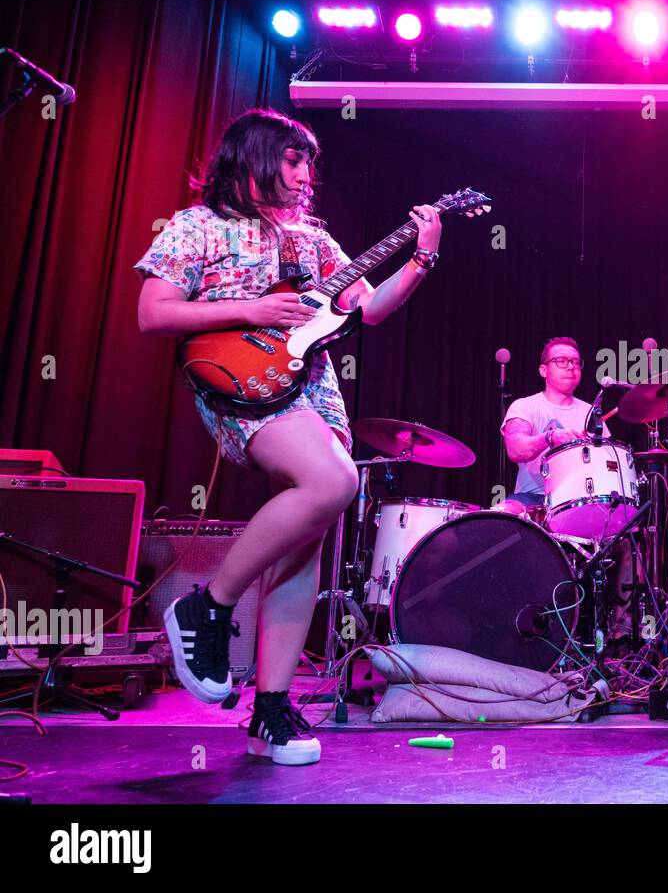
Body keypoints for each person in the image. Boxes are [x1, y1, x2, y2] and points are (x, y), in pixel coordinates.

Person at [135, 108, 445, 764]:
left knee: (307, 541)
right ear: (253, 157)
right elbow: (152, 313)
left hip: (311, 386)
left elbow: (372, 307)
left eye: (311, 163)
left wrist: (424, 255)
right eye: (294, 159)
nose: (306, 175)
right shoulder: (196, 226)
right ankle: (207, 606)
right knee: (335, 480)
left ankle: (270, 710)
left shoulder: (313, 240)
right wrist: (253, 308)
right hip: (237, 377)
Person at [498, 337, 594, 516]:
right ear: (543, 370)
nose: (571, 367)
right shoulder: (525, 406)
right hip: (533, 497)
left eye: (575, 362)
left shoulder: (591, 412)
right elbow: (515, 449)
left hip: (580, 499)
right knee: (502, 515)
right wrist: (550, 437)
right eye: (561, 361)